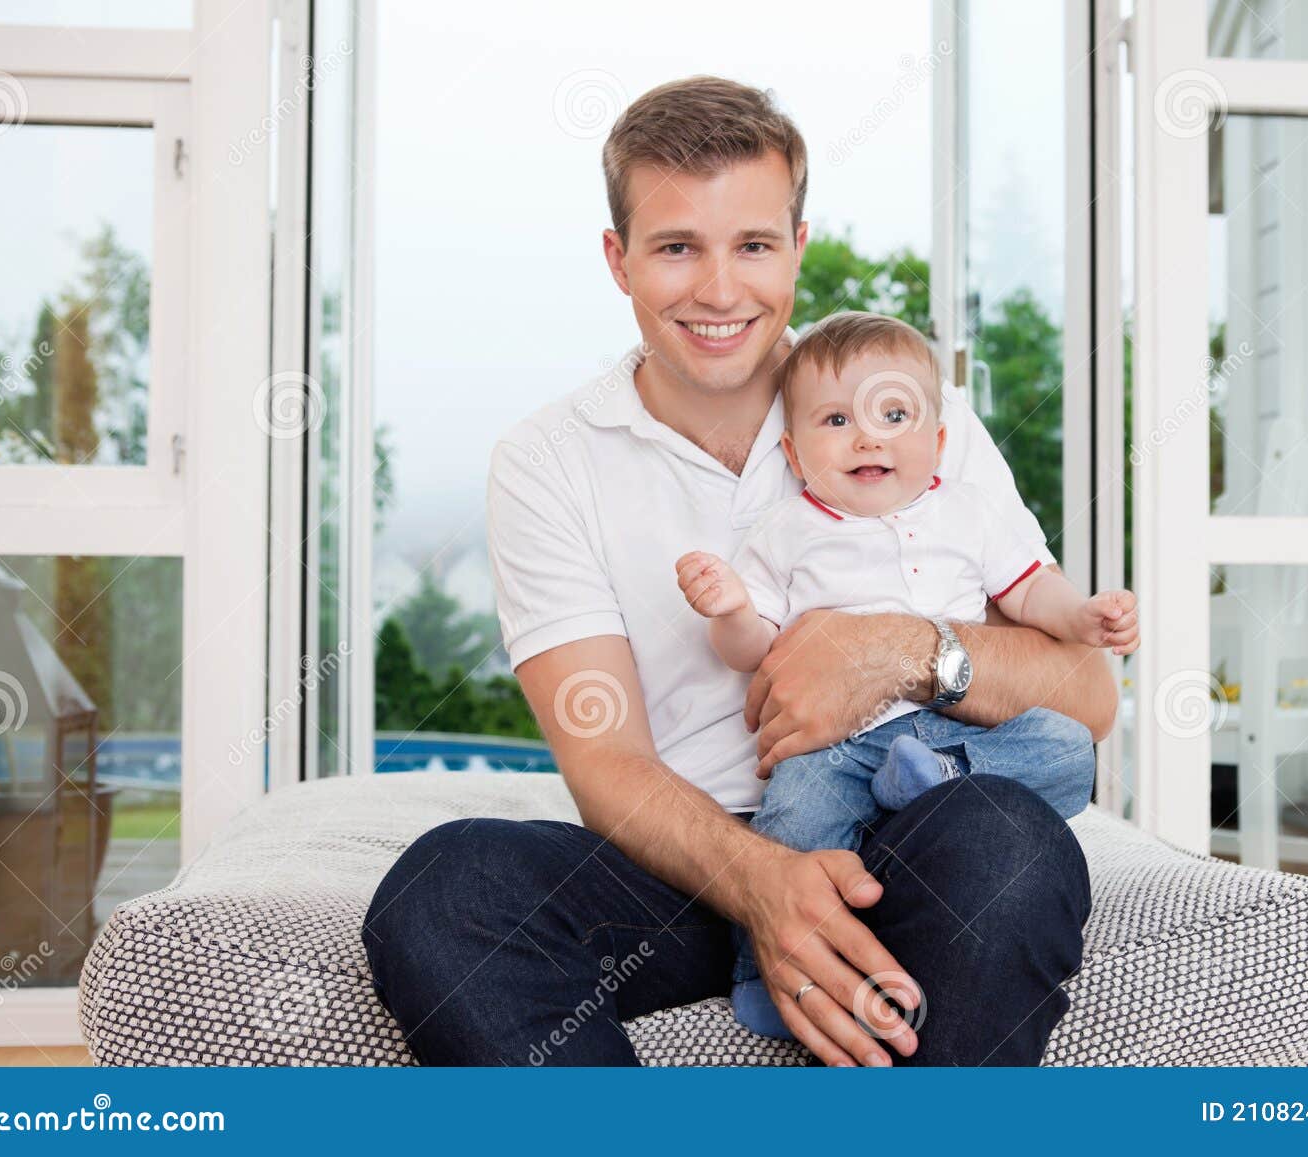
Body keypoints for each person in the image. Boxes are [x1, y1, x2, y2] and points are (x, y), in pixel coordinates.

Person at [363, 75, 1116, 1067]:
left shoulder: (896, 408)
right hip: (682, 870)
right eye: (677, 247)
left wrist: (903, 651)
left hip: (897, 840)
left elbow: (1088, 691)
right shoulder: (548, 459)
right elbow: (608, 764)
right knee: (445, 888)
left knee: (1005, 836)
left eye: (752, 245)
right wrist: (765, 883)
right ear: (617, 259)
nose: (720, 290)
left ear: (796, 248)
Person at [675, 310, 1138, 1038]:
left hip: (955, 720)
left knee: (1065, 747)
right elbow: (750, 647)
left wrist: (1081, 617)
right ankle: (763, 975)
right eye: (836, 419)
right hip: (834, 743)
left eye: (895, 414)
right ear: (795, 453)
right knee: (790, 823)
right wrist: (729, 607)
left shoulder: (969, 512)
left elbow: (1028, 593)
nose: (869, 436)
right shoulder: (788, 528)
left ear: (940, 441)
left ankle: (937, 782)